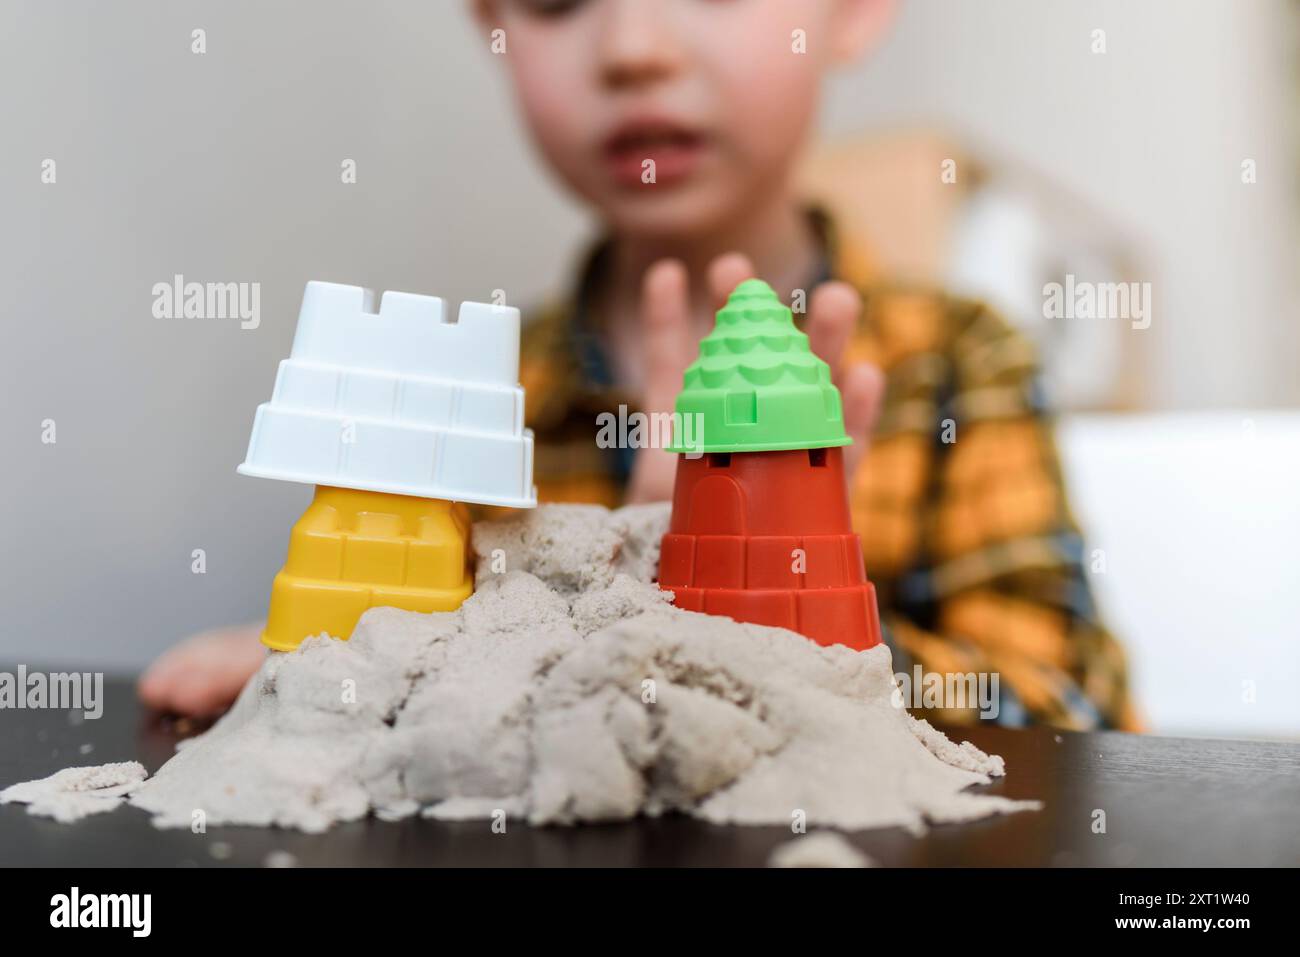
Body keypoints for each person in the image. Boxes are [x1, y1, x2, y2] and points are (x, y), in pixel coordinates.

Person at [140, 0, 1141, 730]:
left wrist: (773, 628)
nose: (630, 47)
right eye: (553, 2)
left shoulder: (958, 359)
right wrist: (337, 661)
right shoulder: (480, 396)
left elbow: (1072, 711)